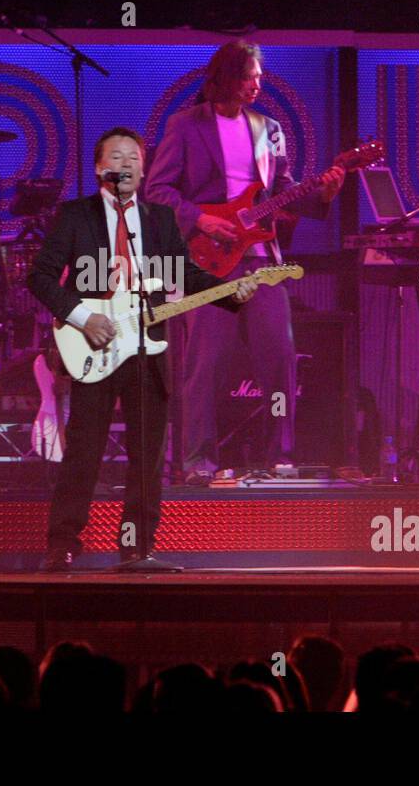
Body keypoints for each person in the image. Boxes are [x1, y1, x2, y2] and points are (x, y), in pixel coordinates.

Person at [26, 127, 257, 571]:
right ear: (99, 169)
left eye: (134, 157)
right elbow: (39, 276)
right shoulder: (76, 216)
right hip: (93, 345)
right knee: (85, 451)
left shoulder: (159, 221)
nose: (127, 164)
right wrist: (81, 317)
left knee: (148, 454)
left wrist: (231, 292)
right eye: (117, 156)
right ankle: (62, 544)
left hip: (148, 350)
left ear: (144, 169)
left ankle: (137, 548)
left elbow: (185, 275)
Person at [145, 41, 344, 483]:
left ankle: (280, 456)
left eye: (259, 76)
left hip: (262, 260)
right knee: (205, 363)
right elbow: (157, 192)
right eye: (250, 76)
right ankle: (197, 460)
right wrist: (203, 221)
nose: (257, 84)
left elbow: (284, 191)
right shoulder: (185, 126)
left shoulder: (269, 128)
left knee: (280, 355)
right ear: (228, 77)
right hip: (206, 261)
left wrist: (324, 194)